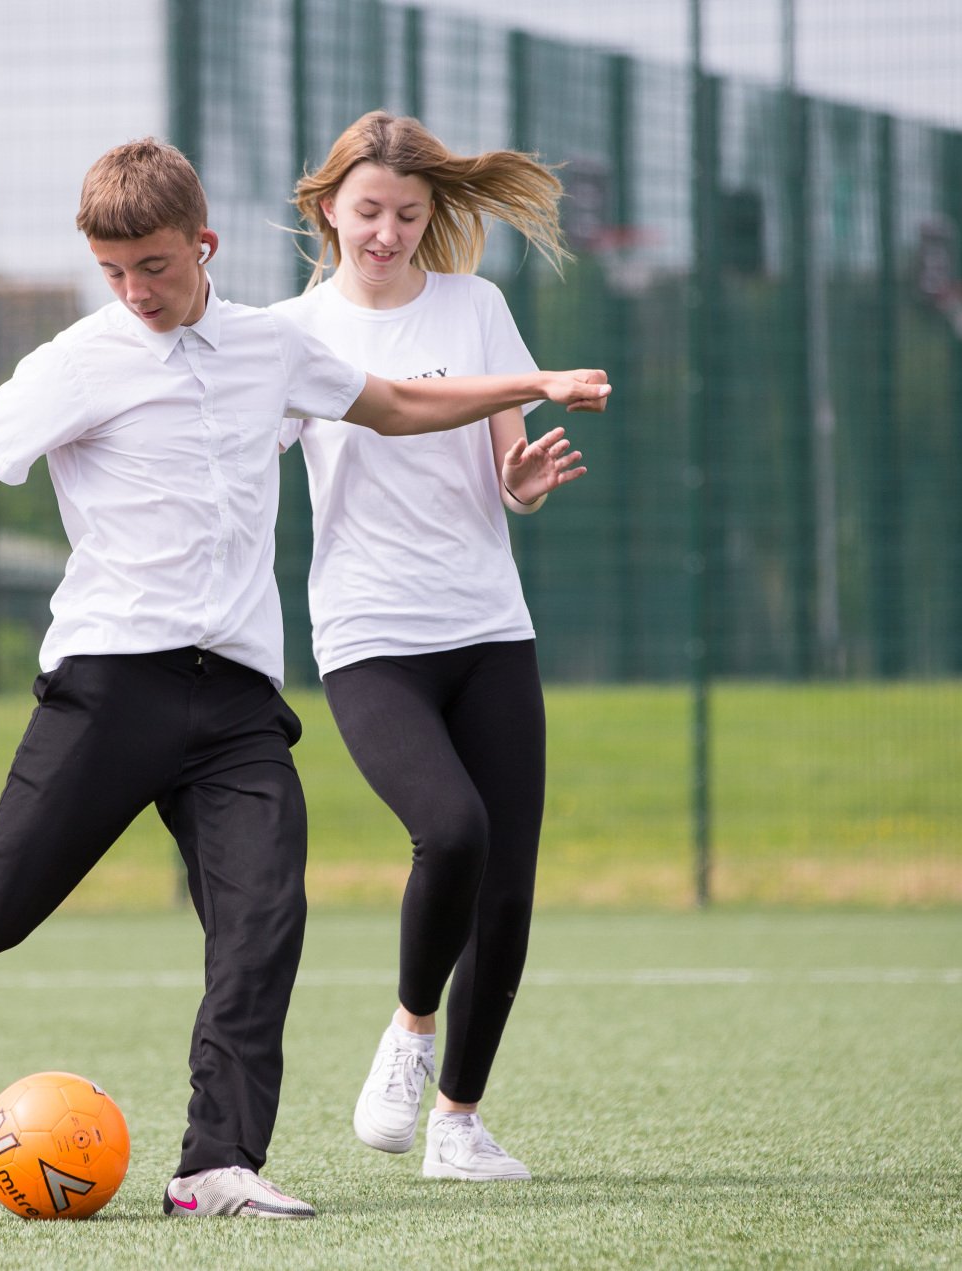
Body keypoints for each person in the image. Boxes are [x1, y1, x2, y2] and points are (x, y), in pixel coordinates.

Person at [0, 137, 611, 1220]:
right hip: (111, 684)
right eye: (112, 272)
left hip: (241, 702)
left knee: (261, 921)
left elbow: (392, 402)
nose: (135, 291)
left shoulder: (268, 347)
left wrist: (529, 384)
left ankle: (215, 1163)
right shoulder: (72, 363)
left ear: (201, 244)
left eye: (153, 266)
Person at [272, 110, 592, 1183]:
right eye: (368, 211)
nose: (388, 232)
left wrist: (523, 482)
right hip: (369, 637)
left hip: (490, 625)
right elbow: (236, 447)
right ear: (328, 208)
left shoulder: (479, 306)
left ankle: (458, 1120)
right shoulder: (292, 333)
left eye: (409, 214)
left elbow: (508, 460)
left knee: (507, 883)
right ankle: (409, 1035)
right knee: (451, 830)